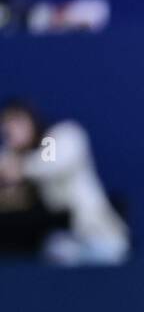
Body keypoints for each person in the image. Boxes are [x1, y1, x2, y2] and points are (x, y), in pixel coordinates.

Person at [0, 99, 129, 265]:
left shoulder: (59, 135)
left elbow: (50, 163)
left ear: (32, 119)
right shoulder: (15, 155)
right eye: (6, 124)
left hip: (101, 241)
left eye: (17, 121)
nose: (11, 129)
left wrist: (19, 168)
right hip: (62, 243)